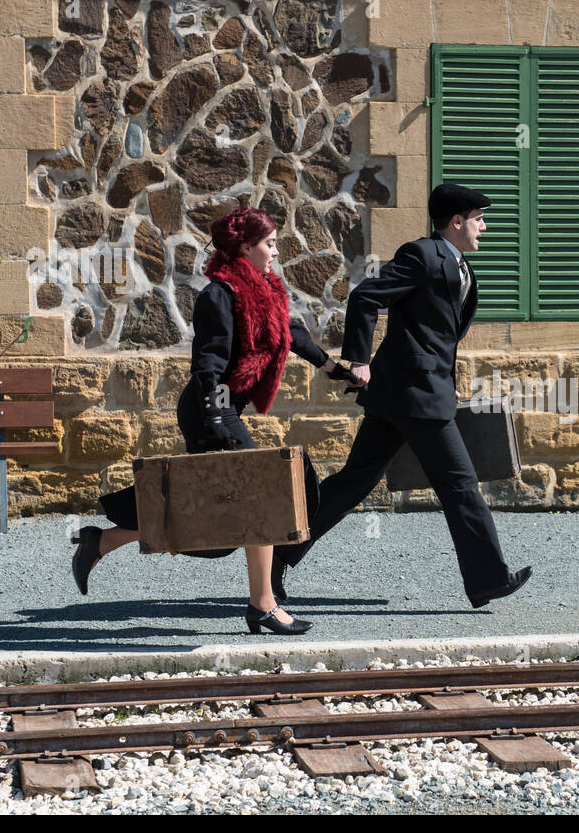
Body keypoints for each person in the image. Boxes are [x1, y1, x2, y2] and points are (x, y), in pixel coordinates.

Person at [69, 207, 359, 635]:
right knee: (260, 492)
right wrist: (220, 419)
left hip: (225, 407)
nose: (277, 251)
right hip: (210, 407)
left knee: (208, 505)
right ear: (246, 247)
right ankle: (262, 604)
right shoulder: (219, 294)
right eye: (270, 244)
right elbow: (207, 365)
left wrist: (336, 369)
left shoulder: (265, 290)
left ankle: (102, 541)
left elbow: (292, 335)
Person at [273, 183, 531, 609]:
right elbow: (365, 297)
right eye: (479, 219)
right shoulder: (423, 255)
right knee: (461, 485)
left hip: (409, 394)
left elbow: (435, 334)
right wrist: (358, 360)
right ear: (456, 222)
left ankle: (277, 556)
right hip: (416, 399)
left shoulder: (460, 266)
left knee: (352, 483)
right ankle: (488, 579)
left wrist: (447, 377)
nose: (484, 227)